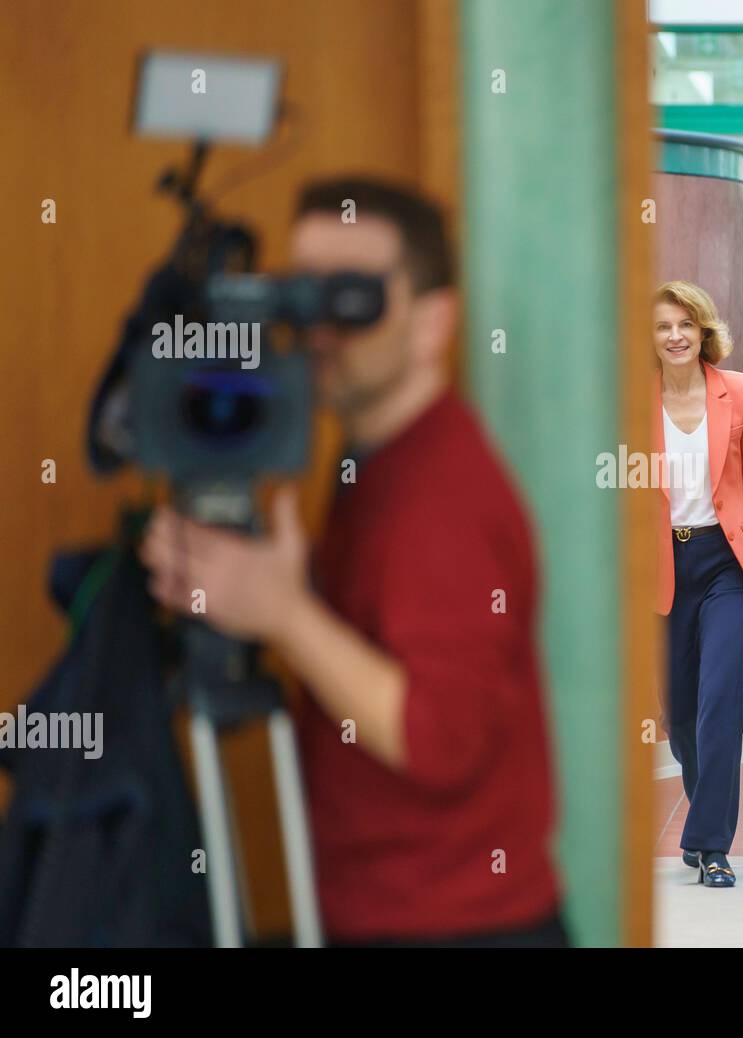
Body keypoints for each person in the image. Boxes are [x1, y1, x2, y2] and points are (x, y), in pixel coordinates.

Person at [140, 177, 565, 947]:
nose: (321, 327)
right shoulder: (375, 462)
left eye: (352, 296)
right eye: (301, 294)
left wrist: (283, 613)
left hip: (454, 926)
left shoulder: (445, 494)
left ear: (433, 321)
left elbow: (439, 737)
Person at [654, 280, 743, 888]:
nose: (676, 336)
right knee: (679, 712)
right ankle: (706, 805)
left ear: (704, 329)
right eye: (664, 326)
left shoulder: (738, 393)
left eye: (686, 324)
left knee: (719, 699)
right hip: (659, 567)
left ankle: (713, 843)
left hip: (725, 566)